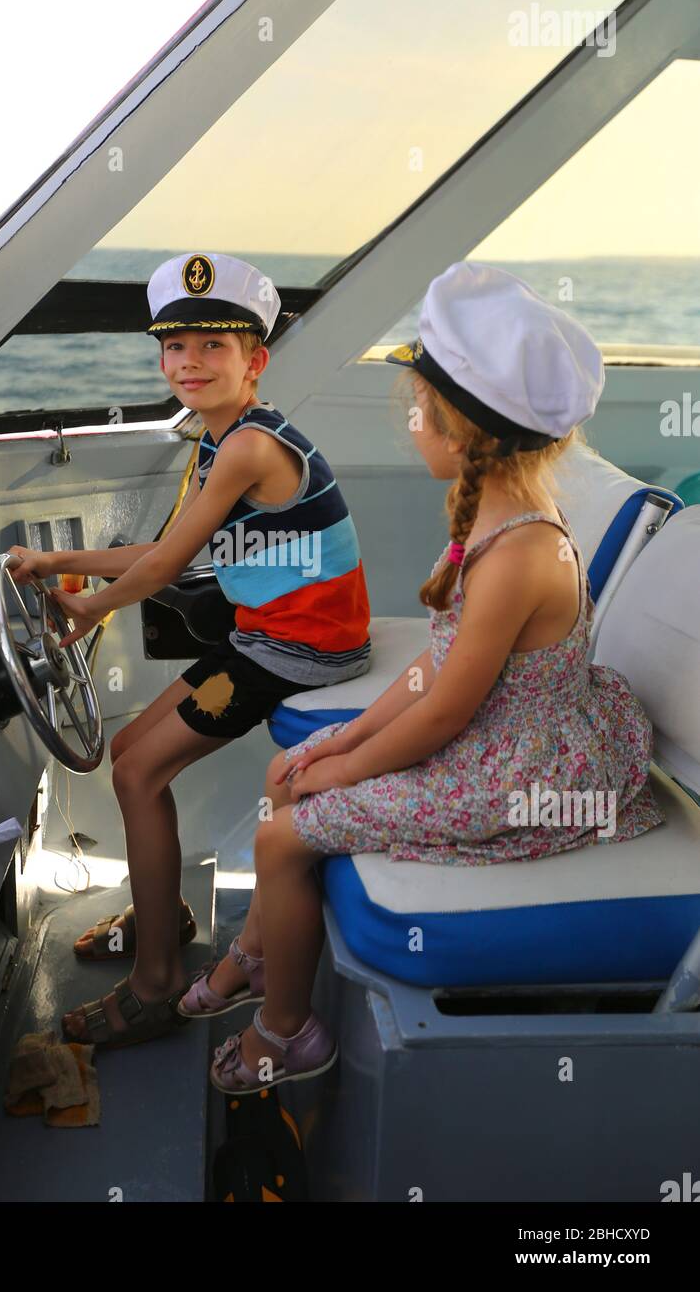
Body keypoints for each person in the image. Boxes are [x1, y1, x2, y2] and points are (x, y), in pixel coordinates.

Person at [189, 260, 666, 1094]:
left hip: (521, 768)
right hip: (490, 728)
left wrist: (345, 765)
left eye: (418, 411)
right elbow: (434, 665)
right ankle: (259, 955)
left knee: (278, 833)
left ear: (461, 432)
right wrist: (348, 735)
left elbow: (446, 714)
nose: (409, 425)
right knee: (283, 772)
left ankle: (288, 1033)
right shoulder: (486, 512)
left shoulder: (520, 553)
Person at [7, 251, 371, 1048]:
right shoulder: (219, 440)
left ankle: (157, 983)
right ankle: (164, 913)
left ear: (256, 361)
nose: (191, 363)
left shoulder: (247, 448)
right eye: (177, 347)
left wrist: (86, 605)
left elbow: (166, 565)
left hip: (297, 652)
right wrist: (56, 565)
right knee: (134, 753)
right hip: (266, 637)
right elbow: (167, 546)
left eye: (215, 347)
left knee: (136, 767)